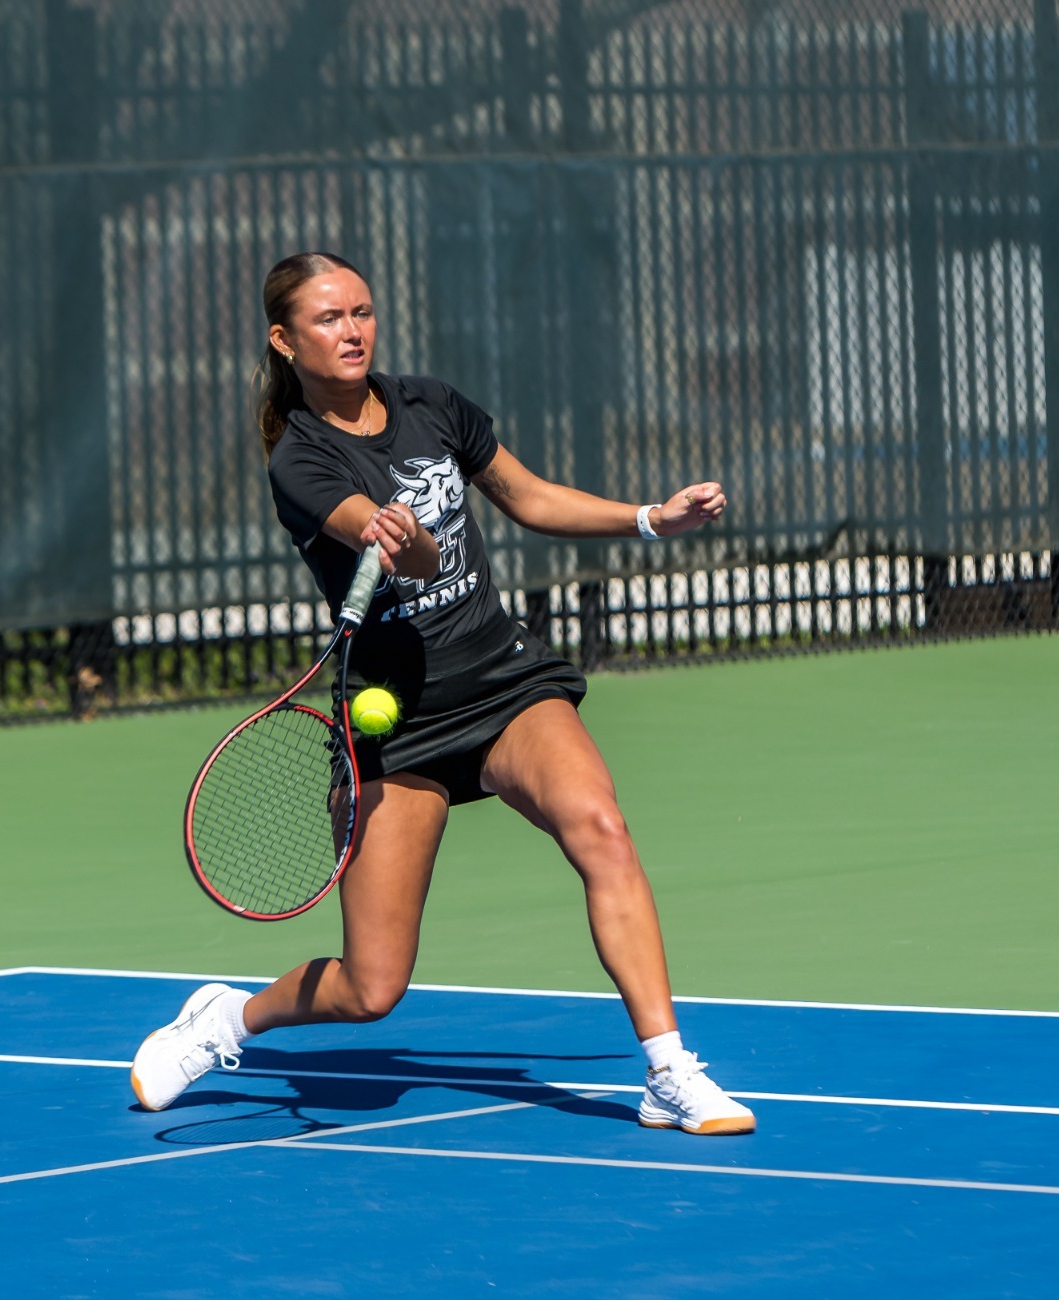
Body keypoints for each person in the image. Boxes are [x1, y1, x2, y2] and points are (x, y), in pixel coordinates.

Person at [130, 252, 753, 1135]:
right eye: (328, 319)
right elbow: (397, 549)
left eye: (362, 312)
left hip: (502, 680)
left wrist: (651, 517)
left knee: (601, 828)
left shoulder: (431, 404)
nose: (352, 331)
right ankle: (229, 1017)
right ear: (284, 339)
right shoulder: (300, 458)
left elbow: (528, 496)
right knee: (370, 986)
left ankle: (668, 1070)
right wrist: (406, 543)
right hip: (398, 719)